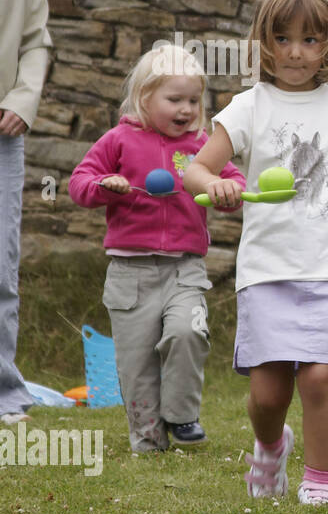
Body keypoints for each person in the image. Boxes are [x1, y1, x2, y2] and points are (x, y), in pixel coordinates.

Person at [185, 0, 328, 505]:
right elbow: (196, 170)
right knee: (267, 391)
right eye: (283, 39)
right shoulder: (247, 106)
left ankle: (319, 481)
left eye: (310, 39)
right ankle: (270, 445)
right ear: (263, 42)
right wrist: (218, 186)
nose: (296, 53)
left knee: (321, 377)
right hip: (269, 269)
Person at [69, 44, 245, 451]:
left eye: (193, 100)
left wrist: (230, 191)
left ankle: (183, 417)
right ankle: (147, 440)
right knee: (136, 363)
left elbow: (233, 180)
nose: (185, 109)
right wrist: (103, 186)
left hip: (185, 268)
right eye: (174, 99)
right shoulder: (118, 140)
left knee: (188, 332)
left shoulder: (201, 145)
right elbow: (80, 183)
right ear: (145, 97)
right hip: (130, 274)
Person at [0, 0, 52, 426]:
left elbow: (37, 41)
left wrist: (22, 100)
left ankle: (3, 392)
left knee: (0, 266)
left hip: (2, 132)